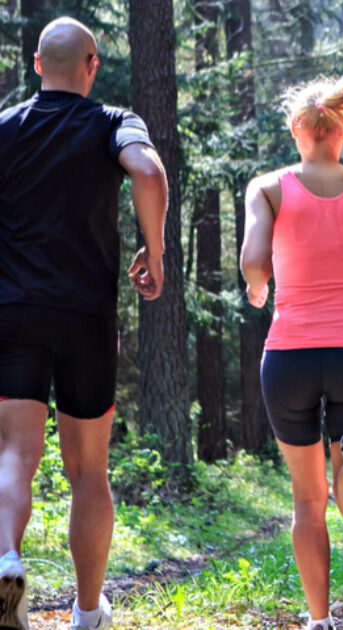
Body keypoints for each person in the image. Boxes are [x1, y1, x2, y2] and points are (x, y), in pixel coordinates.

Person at [0, 17, 169, 630]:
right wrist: (154, 252)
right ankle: (88, 612)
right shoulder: (113, 122)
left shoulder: (7, 126)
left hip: (16, 309)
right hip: (88, 316)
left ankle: (5, 559)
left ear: (39, 65)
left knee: (15, 452)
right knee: (88, 470)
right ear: (92, 66)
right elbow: (147, 172)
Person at [240, 44, 343, 630]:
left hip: (288, 354)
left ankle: (319, 621)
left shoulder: (268, 188)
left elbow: (254, 260)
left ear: (296, 129)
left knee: (305, 503)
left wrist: (261, 285)